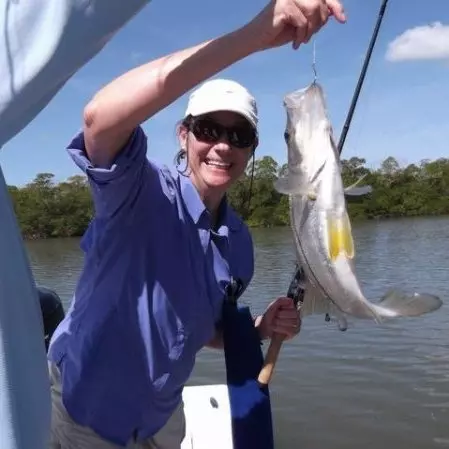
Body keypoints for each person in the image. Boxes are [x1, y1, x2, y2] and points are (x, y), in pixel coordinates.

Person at [47, 0, 346, 447]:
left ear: (251, 150)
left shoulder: (240, 245)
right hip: (86, 411)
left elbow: (200, 331)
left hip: (162, 420)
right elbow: (99, 118)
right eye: (208, 129)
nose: (223, 146)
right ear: (183, 134)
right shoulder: (136, 191)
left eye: (239, 136)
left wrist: (259, 328)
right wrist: (254, 35)